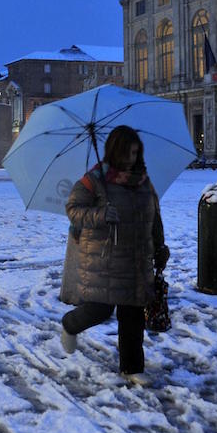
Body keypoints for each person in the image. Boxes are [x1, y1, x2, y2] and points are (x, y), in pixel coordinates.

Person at [61, 125, 169, 384]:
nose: (131, 159)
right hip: (104, 259)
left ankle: (132, 367)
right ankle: (70, 324)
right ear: (115, 151)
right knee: (100, 309)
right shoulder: (95, 179)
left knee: (132, 315)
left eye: (135, 153)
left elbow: (154, 216)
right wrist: (99, 215)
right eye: (127, 153)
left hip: (136, 258)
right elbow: (73, 209)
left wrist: (160, 246)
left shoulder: (143, 181)